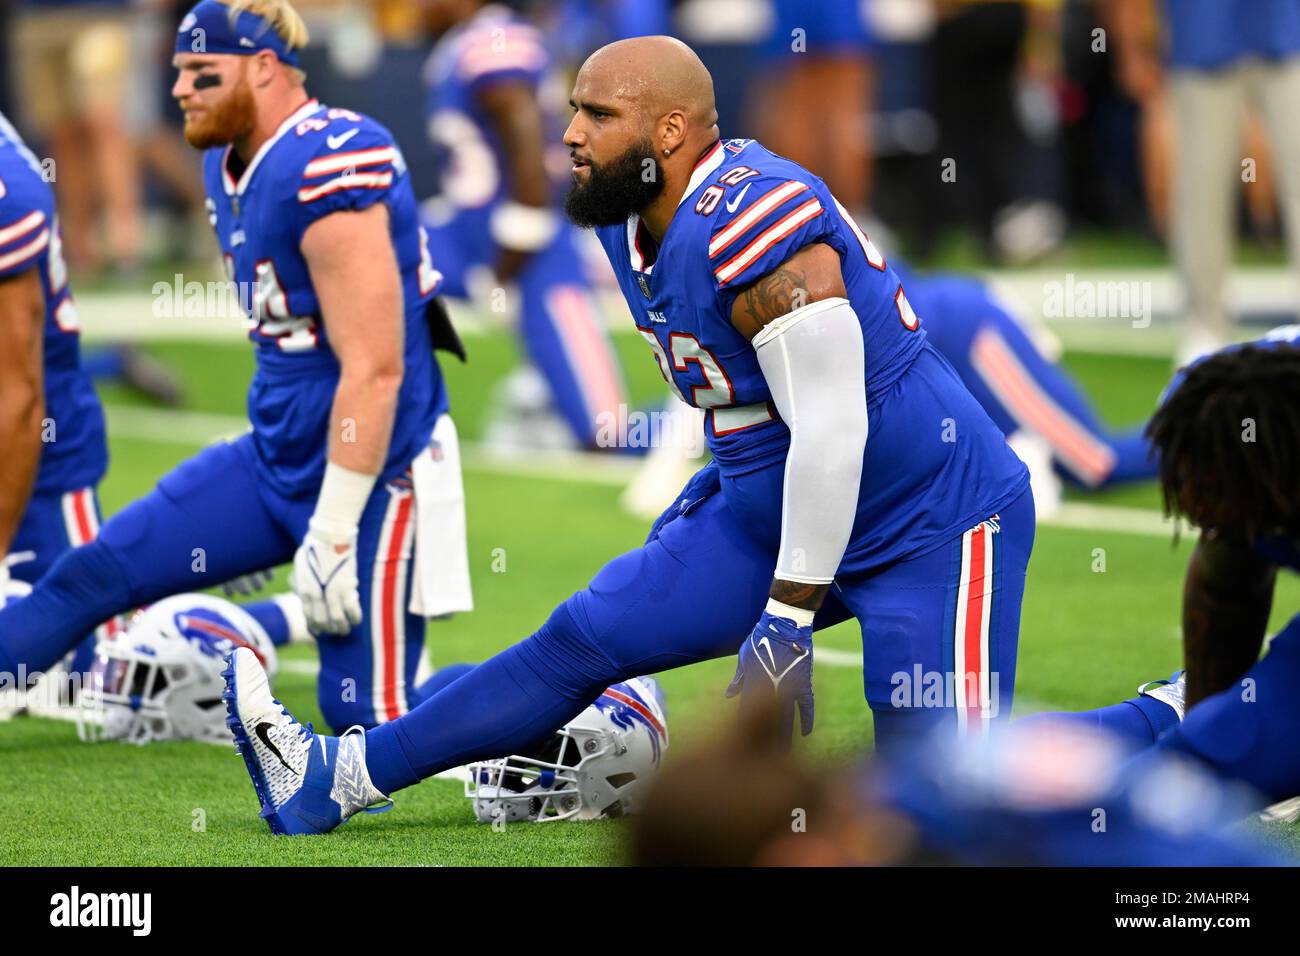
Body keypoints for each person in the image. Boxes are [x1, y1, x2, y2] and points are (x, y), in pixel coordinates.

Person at [221, 34, 1034, 836]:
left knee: (938, 792)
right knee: (584, 635)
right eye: (573, 108)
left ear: (670, 132)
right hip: (781, 505)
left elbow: (832, 426)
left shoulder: (757, 220)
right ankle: (336, 778)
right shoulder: (630, 212)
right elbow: (745, 390)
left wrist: (786, 615)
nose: (570, 133)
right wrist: (728, 476)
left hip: (928, 518)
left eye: (597, 114)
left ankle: (1159, 716)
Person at [0, 0, 472, 735]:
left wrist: (336, 526)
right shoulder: (226, 160)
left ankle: (570, 709)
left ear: (263, 67)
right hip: (273, 459)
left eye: (203, 72)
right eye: (180, 70)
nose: (181, 88)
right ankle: (282, 614)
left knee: (364, 718)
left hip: (375, 472)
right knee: (91, 576)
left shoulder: (329, 157)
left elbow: (377, 368)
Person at [1025, 327, 1300, 803]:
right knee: (1203, 754)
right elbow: (1225, 575)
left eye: (1212, 488)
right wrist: (1207, 719)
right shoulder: (1227, 406)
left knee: (1218, 759)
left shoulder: (1273, 453)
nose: (1191, 505)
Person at [420, 0, 632, 452]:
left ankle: (689, 423)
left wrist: (503, 270)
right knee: (373, 257)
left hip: (531, 251)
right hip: (466, 236)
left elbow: (531, 166)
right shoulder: (464, 43)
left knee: (606, 434)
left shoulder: (493, 41)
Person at [0, 108, 118, 687]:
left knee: (91, 674)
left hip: (34, 460)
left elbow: (18, 396)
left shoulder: (6, 187)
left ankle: (285, 616)